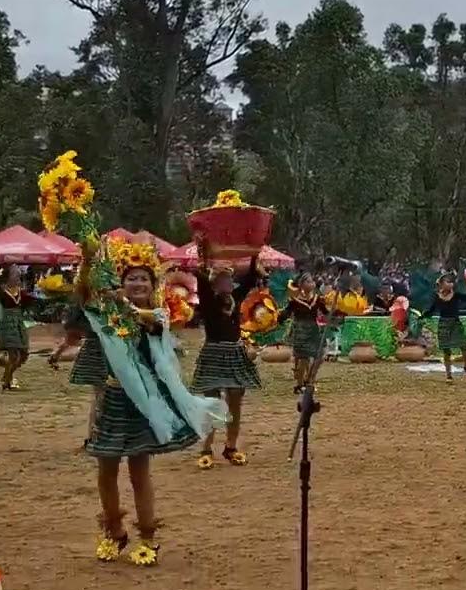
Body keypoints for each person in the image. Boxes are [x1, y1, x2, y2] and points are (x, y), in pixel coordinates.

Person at [73, 239, 226, 566]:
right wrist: (88, 260)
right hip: (112, 400)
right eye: (131, 278)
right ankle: (114, 531)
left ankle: (147, 537)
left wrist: (122, 306)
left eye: (144, 278)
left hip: (143, 404)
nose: (138, 283)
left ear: (153, 284)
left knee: (139, 472)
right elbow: (84, 294)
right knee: (105, 471)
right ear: (122, 282)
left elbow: (150, 323)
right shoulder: (106, 312)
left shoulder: (156, 315)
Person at [191, 243, 265, 468]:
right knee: (212, 403)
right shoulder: (208, 302)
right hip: (213, 354)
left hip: (234, 353)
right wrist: (203, 251)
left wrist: (254, 254)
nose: (227, 283)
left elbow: (251, 278)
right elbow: (201, 279)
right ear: (214, 283)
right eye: (222, 279)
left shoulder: (236, 298)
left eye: (229, 279)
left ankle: (231, 446)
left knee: (235, 402)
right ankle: (205, 448)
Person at [279, 272, 330, 394]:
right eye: (308, 282)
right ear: (301, 284)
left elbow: (326, 312)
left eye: (312, 281)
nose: (311, 284)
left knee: (319, 356)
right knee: (303, 359)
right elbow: (286, 313)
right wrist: (280, 318)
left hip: (313, 330)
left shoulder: (317, 299)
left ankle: (309, 380)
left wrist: (335, 315)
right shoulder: (295, 300)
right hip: (300, 330)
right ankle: (300, 384)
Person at [421, 274, 466, 382]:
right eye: (447, 281)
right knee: (446, 351)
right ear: (441, 284)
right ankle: (448, 374)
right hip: (444, 324)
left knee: (464, 347)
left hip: (456, 323)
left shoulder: (456, 295)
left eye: (451, 282)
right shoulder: (437, 297)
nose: (450, 284)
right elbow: (431, 310)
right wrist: (422, 316)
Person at [0, 266, 33, 390]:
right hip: (7, 324)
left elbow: (28, 305)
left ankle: (7, 376)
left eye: (18, 274)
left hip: (18, 323)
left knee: (24, 354)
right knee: (13, 355)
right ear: (8, 276)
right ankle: (7, 381)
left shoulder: (22, 292)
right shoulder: (1, 291)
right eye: (15, 274)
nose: (18, 276)